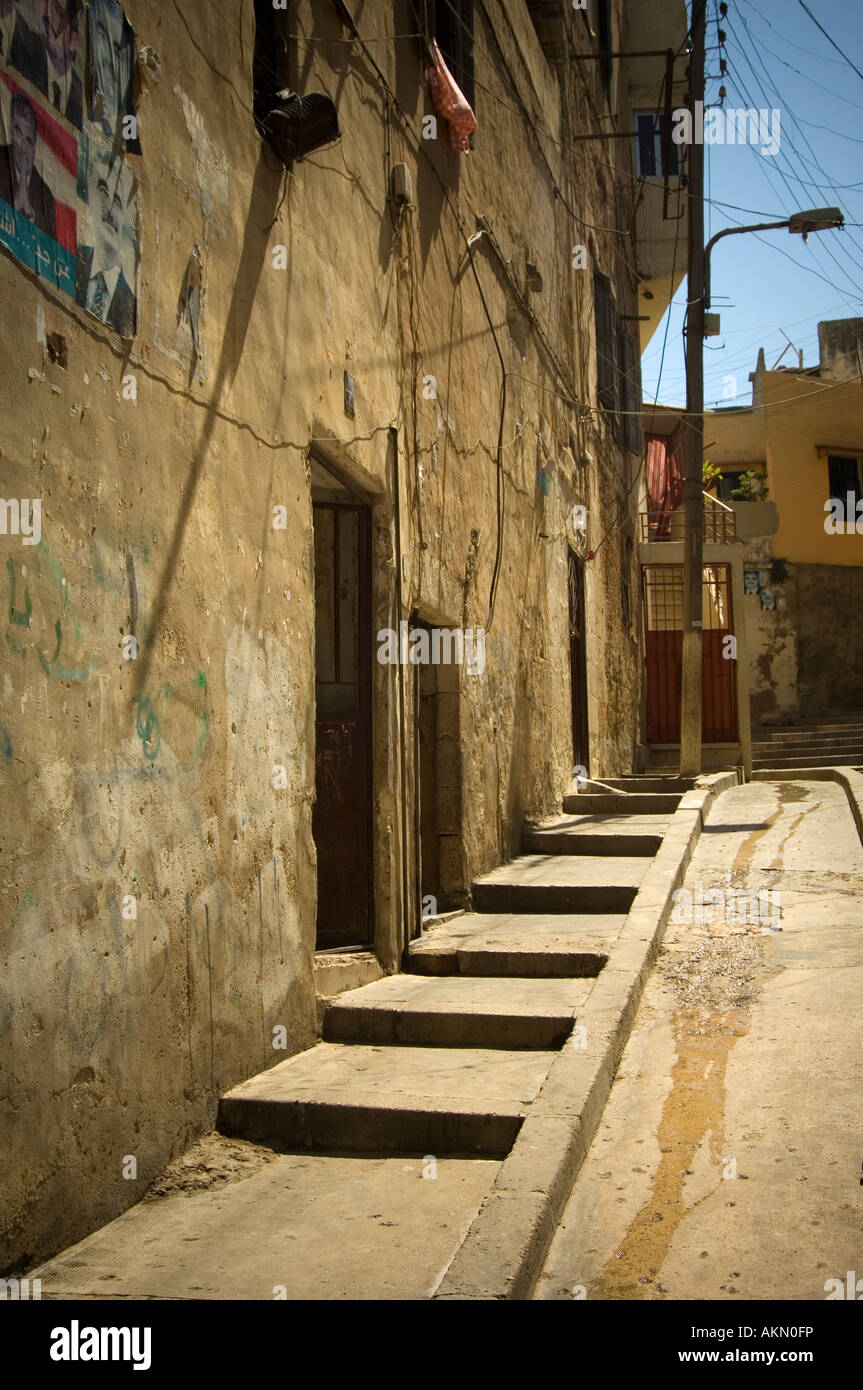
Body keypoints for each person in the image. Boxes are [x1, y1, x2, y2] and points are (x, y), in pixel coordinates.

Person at [75, 148, 135, 336]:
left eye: (117, 202)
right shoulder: (71, 262)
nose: (109, 209)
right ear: (91, 196)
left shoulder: (127, 301)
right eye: (102, 191)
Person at [8, 0, 83, 129]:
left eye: (58, 11)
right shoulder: (21, 46)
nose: (47, 15)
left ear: (74, 40)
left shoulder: (80, 98)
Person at [0, 89, 57, 240]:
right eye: (18, 133)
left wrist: (24, 181)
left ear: (35, 141)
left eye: (29, 140)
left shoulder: (46, 197)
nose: (23, 147)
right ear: (11, 130)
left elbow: (50, 249)